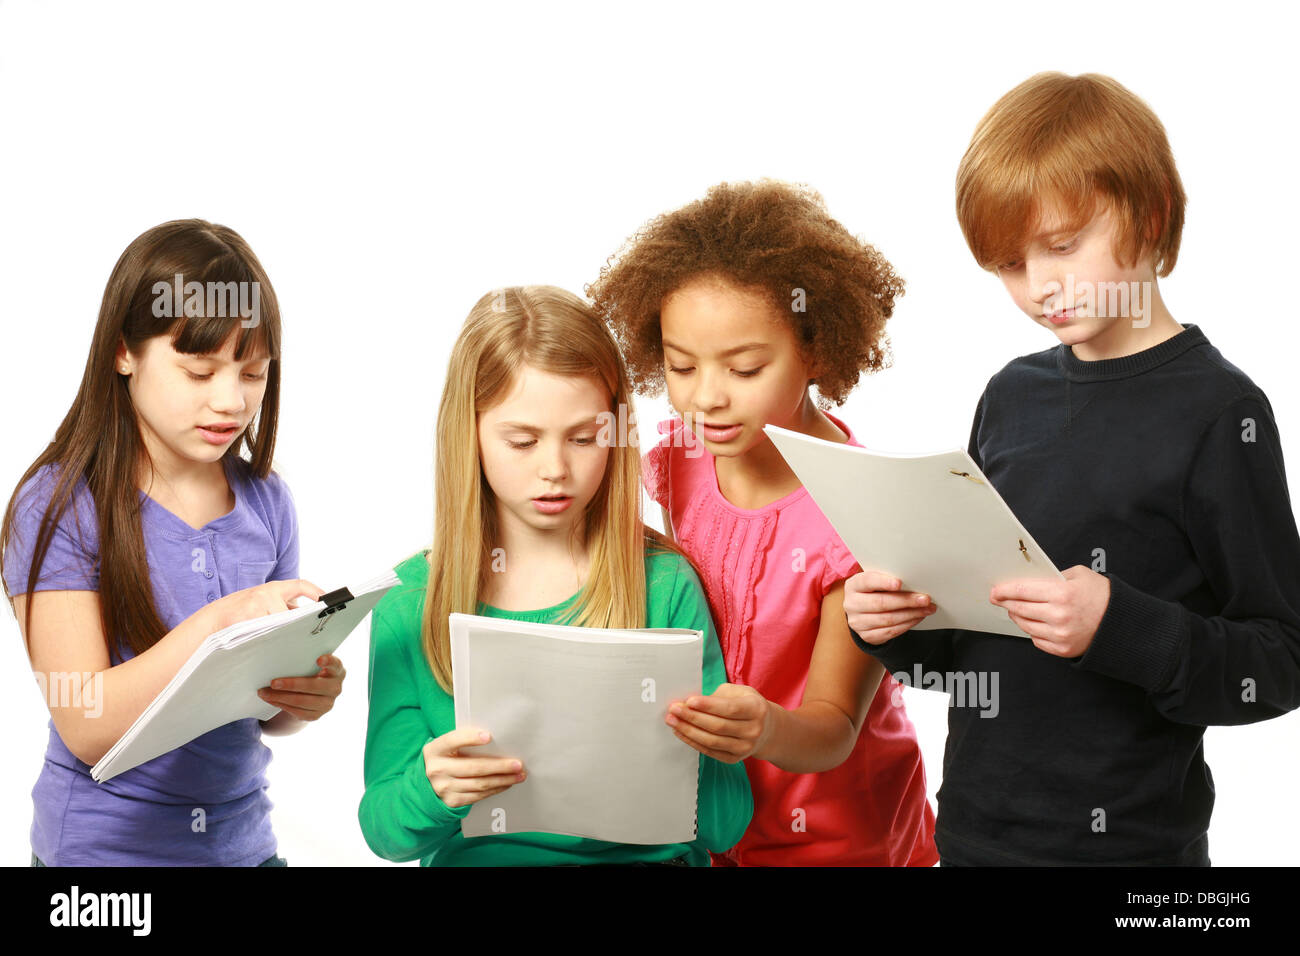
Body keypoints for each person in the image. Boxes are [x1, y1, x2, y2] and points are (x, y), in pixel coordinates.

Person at [846, 72, 1300, 865]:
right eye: (1010, 266)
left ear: (1152, 214)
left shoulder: (1222, 412)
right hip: (974, 833)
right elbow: (970, 656)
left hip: (1130, 852)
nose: (1039, 288)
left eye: (1061, 247)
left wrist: (1119, 627)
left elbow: (1280, 661)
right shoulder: (1010, 395)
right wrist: (896, 629)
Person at [588, 181, 938, 866]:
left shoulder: (862, 511)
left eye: (745, 368)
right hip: (715, 817)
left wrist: (764, 725)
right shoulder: (682, 462)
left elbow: (835, 728)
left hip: (840, 838)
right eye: (681, 365)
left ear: (816, 350)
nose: (707, 397)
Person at [358, 285, 752, 866]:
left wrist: (712, 749)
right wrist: (431, 789)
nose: (555, 470)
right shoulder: (409, 603)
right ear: (469, 436)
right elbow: (385, 833)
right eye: (521, 441)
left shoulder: (664, 586)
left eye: (584, 438)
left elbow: (725, 827)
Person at [1, 219, 344, 866]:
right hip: (104, 861)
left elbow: (260, 709)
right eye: (199, 370)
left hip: (244, 846)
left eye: (253, 373)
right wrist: (222, 622)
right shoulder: (58, 506)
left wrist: (304, 696)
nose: (231, 400)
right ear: (124, 353)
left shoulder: (268, 503)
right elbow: (89, 724)